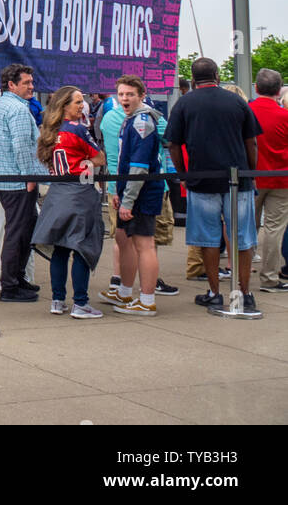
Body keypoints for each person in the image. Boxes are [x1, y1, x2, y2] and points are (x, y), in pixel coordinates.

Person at [166, 57, 261, 313]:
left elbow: (173, 144)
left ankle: (214, 293)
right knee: (242, 238)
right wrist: (250, 172)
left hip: (202, 179)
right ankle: (245, 292)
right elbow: (251, 142)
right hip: (238, 180)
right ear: (218, 76)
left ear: (193, 80)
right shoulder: (237, 101)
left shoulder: (185, 103)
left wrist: (183, 173)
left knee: (208, 239)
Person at [98, 81, 179, 301]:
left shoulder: (143, 120)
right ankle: (129, 291)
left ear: (141, 95)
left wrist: (127, 198)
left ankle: (145, 297)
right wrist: (123, 196)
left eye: (130, 94)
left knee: (143, 244)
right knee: (132, 242)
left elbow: (140, 165)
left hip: (137, 190)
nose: (125, 98)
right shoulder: (130, 119)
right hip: (127, 189)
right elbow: (166, 142)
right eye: (121, 94)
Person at [31, 85, 106, 319]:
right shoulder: (77, 129)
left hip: (56, 194)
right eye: (76, 101)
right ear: (64, 106)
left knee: (60, 250)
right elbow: (99, 157)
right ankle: (80, 302)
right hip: (79, 193)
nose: (81, 104)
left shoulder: (49, 131)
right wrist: (87, 163)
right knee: (81, 248)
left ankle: (57, 299)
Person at [0, 63, 45, 302]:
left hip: (6, 178)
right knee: (17, 232)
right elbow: (21, 146)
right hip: (17, 180)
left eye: (31, 82)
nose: (32, 86)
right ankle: (10, 285)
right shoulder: (18, 110)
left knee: (22, 230)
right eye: (27, 83)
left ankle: (17, 279)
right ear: (12, 85)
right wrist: (29, 176)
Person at [249, 68, 288, 293]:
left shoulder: (246, 111)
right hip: (281, 179)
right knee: (274, 229)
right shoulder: (284, 115)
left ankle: (239, 272)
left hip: (250, 178)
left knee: (246, 226)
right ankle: (270, 278)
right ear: (278, 89)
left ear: (256, 87)